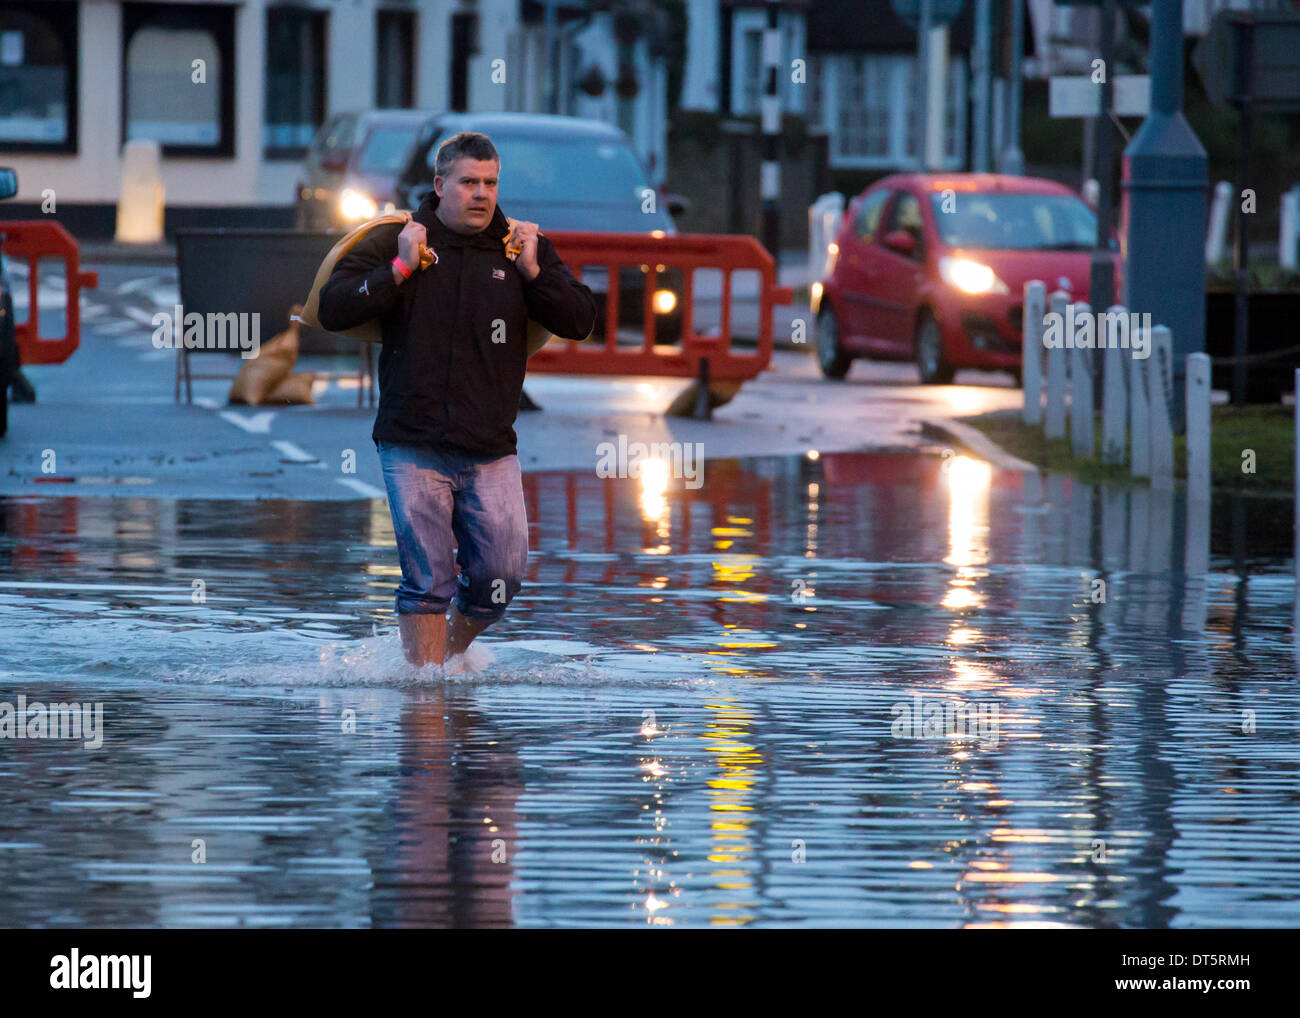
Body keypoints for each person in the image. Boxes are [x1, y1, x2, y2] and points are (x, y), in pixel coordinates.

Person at [317, 132, 596, 667]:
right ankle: (424, 705)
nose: (482, 194)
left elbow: (581, 320)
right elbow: (332, 309)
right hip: (411, 439)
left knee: (502, 578)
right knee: (426, 580)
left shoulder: (518, 246)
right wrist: (398, 270)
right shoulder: (401, 237)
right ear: (441, 184)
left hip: (491, 446)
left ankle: (446, 656)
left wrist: (535, 275)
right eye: (469, 182)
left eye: (490, 183)